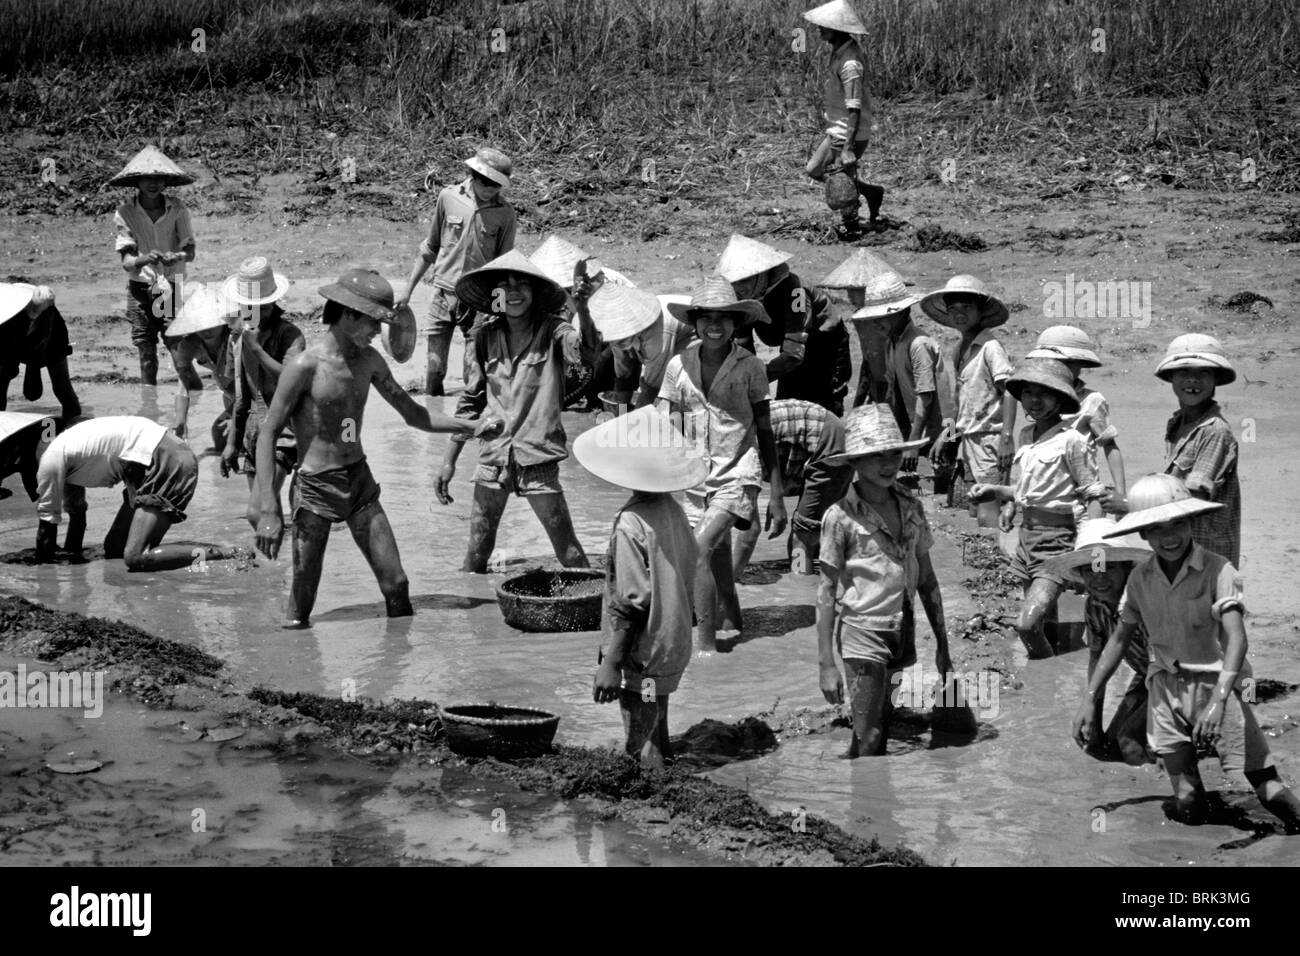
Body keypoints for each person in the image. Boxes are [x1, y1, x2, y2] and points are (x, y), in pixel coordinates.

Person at [254, 268, 500, 627]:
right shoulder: (304, 366)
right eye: (373, 322)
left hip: (359, 483)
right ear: (347, 314)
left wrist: (472, 427)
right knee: (301, 601)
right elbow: (268, 432)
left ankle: (396, 662)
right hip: (315, 490)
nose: (377, 332)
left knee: (396, 583)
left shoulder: (369, 361)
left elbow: (414, 415)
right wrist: (269, 509)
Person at [1075, 474, 1300, 833]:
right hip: (1165, 691)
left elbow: (1237, 639)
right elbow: (1117, 640)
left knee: (1268, 789)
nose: (1169, 536)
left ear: (1191, 521)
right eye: (1156, 528)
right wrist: (1089, 698)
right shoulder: (1139, 580)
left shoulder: (1218, 570)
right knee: (1189, 804)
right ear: (1143, 534)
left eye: (1177, 523)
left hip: (1218, 686)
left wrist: (1220, 699)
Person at [436, 250, 599, 573]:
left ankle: (595, 611)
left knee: (569, 553)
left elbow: (586, 355)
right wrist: (448, 462)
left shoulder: (554, 330)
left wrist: (582, 309)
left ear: (535, 292)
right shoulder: (483, 337)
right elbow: (471, 401)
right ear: (494, 295)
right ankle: (475, 618)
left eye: (521, 284)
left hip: (537, 457)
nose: (513, 292)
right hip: (493, 456)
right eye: (505, 285)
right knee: (475, 556)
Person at [658, 276, 786, 651]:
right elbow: (668, 426)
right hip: (694, 478)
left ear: (737, 323)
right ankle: (732, 621)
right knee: (715, 562)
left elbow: (764, 430)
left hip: (738, 473)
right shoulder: (678, 365)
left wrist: (775, 496)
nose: (715, 326)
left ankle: (705, 647)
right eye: (706, 318)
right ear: (695, 322)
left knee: (697, 550)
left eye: (724, 319)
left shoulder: (750, 367)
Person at [817, 404, 952, 756]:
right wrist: (826, 663)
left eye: (893, 453)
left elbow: (927, 578)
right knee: (872, 736)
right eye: (875, 456)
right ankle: (867, 808)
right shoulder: (839, 518)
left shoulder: (911, 506)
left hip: (901, 627)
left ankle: (862, 784)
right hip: (862, 630)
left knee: (878, 728)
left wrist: (942, 645)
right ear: (854, 463)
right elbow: (826, 591)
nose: (888, 463)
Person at [578, 406, 706, 768]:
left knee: (640, 737)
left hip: (643, 651)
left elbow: (632, 601)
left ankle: (649, 811)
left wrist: (612, 663)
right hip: (672, 642)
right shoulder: (674, 511)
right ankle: (668, 781)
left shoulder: (630, 523)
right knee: (657, 725)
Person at [970, 358, 1105, 658]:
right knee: (1046, 620)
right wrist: (1000, 495)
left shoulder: (1072, 440)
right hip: (1026, 539)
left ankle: (1043, 666)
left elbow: (1093, 496)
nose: (1035, 400)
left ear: (1061, 398)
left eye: (1044, 392)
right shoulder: (1025, 437)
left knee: (1026, 625)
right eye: (1028, 392)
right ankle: (1050, 680)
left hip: (1058, 542)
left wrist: (1093, 554)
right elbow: (1025, 490)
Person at [34, 415, 231, 571]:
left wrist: (44, 574)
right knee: (114, 549)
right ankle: (191, 558)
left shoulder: (51, 459)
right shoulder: (70, 449)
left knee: (135, 557)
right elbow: (77, 518)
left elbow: (46, 528)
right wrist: (71, 558)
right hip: (161, 456)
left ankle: (225, 554)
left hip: (165, 459)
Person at [394, 147, 517, 396]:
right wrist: (407, 291)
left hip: (479, 299)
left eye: (496, 184)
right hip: (442, 294)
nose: (490, 188)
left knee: (474, 373)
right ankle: (433, 412)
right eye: (486, 181)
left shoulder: (505, 214)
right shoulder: (448, 197)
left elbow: (503, 266)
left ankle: (467, 426)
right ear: (472, 174)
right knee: (434, 369)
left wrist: (500, 309)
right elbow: (430, 248)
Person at [1044, 517, 1153, 765]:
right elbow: (1097, 658)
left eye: (1108, 568)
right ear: (1081, 574)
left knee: (1130, 745)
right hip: (1146, 676)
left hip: (1176, 677)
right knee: (1107, 745)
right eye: (1091, 570)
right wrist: (1091, 709)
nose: (1100, 579)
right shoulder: (1095, 606)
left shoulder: (1143, 602)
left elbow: (1166, 666)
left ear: (1127, 567)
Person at [716, 235, 852, 416]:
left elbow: (793, 356)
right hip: (791, 344)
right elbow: (743, 344)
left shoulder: (795, 292)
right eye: (733, 282)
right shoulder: (742, 300)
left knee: (822, 410)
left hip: (825, 345)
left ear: (761, 274)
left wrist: (759, 378)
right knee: (787, 405)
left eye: (744, 280)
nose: (738, 288)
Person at [219, 257, 305, 531]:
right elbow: (241, 394)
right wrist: (232, 442)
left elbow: (293, 380)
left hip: (283, 433)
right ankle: (277, 569)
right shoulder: (238, 337)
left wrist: (255, 348)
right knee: (268, 516)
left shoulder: (290, 335)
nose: (253, 311)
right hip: (253, 434)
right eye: (248, 307)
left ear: (270, 304)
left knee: (257, 512)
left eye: (259, 306)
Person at [731, 398, 853, 578]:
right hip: (815, 435)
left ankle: (801, 584)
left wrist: (728, 582)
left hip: (829, 444)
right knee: (815, 532)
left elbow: (750, 531)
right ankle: (819, 577)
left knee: (802, 535)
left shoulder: (736, 453)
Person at [921, 275, 1016, 503]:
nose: (959, 313)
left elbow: (1011, 390)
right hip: (968, 439)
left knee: (990, 505)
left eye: (967, 307)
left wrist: (1006, 436)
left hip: (990, 439)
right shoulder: (958, 350)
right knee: (968, 504)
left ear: (981, 310)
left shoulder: (990, 347)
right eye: (953, 308)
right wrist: (948, 435)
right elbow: (958, 402)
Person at [109, 146, 196, 387]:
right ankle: (149, 407)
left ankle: (191, 391)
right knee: (146, 354)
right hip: (140, 288)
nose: (153, 183)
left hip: (168, 285)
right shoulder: (125, 212)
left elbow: (189, 253)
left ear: (166, 181)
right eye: (148, 178)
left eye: (159, 178)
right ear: (137, 181)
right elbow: (127, 263)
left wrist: (174, 256)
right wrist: (145, 259)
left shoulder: (177, 209)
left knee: (177, 349)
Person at [802, 0, 885, 237]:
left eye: (824, 26)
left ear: (837, 29)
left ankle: (852, 230)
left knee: (842, 186)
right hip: (836, 129)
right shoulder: (840, 53)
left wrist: (848, 147)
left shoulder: (850, 63)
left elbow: (854, 109)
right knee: (814, 169)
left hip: (848, 132)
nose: (819, 30)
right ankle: (869, 192)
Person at [849, 268, 946, 472]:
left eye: (881, 317)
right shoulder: (891, 343)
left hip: (932, 436)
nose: (876, 322)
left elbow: (925, 397)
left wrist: (913, 441)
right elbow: (892, 391)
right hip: (911, 431)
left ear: (901, 313)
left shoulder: (918, 344)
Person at [1155, 334, 1241, 565]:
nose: (1193, 380)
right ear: (1171, 377)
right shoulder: (1177, 423)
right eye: (1184, 372)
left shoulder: (1215, 431)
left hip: (1207, 555)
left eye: (1203, 372)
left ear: (1215, 379)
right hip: (1180, 546)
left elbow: (1193, 498)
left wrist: (1131, 504)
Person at [527, 235, 639, 410]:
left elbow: (617, 336)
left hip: (625, 330)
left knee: (611, 367)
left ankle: (613, 404)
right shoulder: (559, 294)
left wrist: (601, 356)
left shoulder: (600, 286)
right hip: (595, 323)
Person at [1025, 325, 1127, 513]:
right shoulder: (1036, 399)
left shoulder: (1091, 401)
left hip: (1083, 492)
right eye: (1054, 362)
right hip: (1047, 491)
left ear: (1081, 365)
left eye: (1068, 363)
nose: (1059, 369)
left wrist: (1121, 494)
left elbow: (1110, 445)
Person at [816, 249, 898, 408]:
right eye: (848, 290)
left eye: (855, 290)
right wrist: (859, 400)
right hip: (876, 381)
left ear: (869, 291)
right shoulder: (859, 318)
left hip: (893, 382)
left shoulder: (887, 320)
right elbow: (868, 360)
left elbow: (892, 361)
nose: (849, 295)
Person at [162, 283, 237, 450]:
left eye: (210, 323)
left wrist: (236, 416)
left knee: (221, 434)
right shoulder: (189, 344)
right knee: (226, 442)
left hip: (252, 392)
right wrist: (180, 422)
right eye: (200, 324)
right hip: (230, 392)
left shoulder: (236, 340)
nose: (206, 329)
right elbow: (183, 385)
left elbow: (251, 382)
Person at [0, 280, 82, 421]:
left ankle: (74, 426)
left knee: (62, 389)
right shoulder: (8, 320)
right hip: (11, 323)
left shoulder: (51, 324)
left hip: (46, 329)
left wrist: (34, 366)